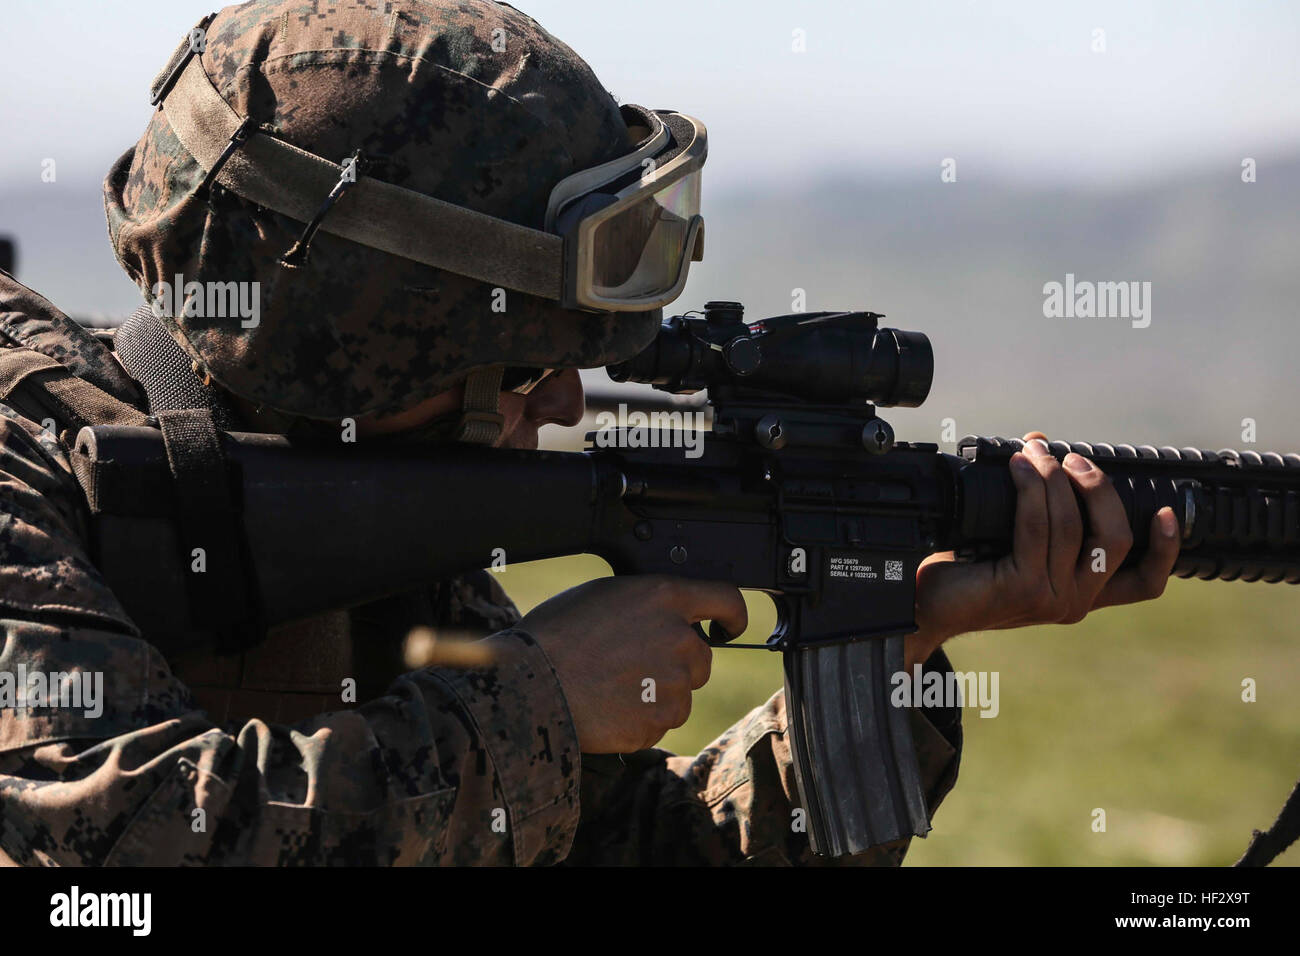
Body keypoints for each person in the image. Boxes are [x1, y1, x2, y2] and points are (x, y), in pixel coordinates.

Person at [0, 0, 1180, 866]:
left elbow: (656, 856)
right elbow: (103, 851)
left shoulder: (384, 528)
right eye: (520, 364)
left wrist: (899, 638)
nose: (563, 406)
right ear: (367, 339)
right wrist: (542, 702)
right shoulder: (29, 466)